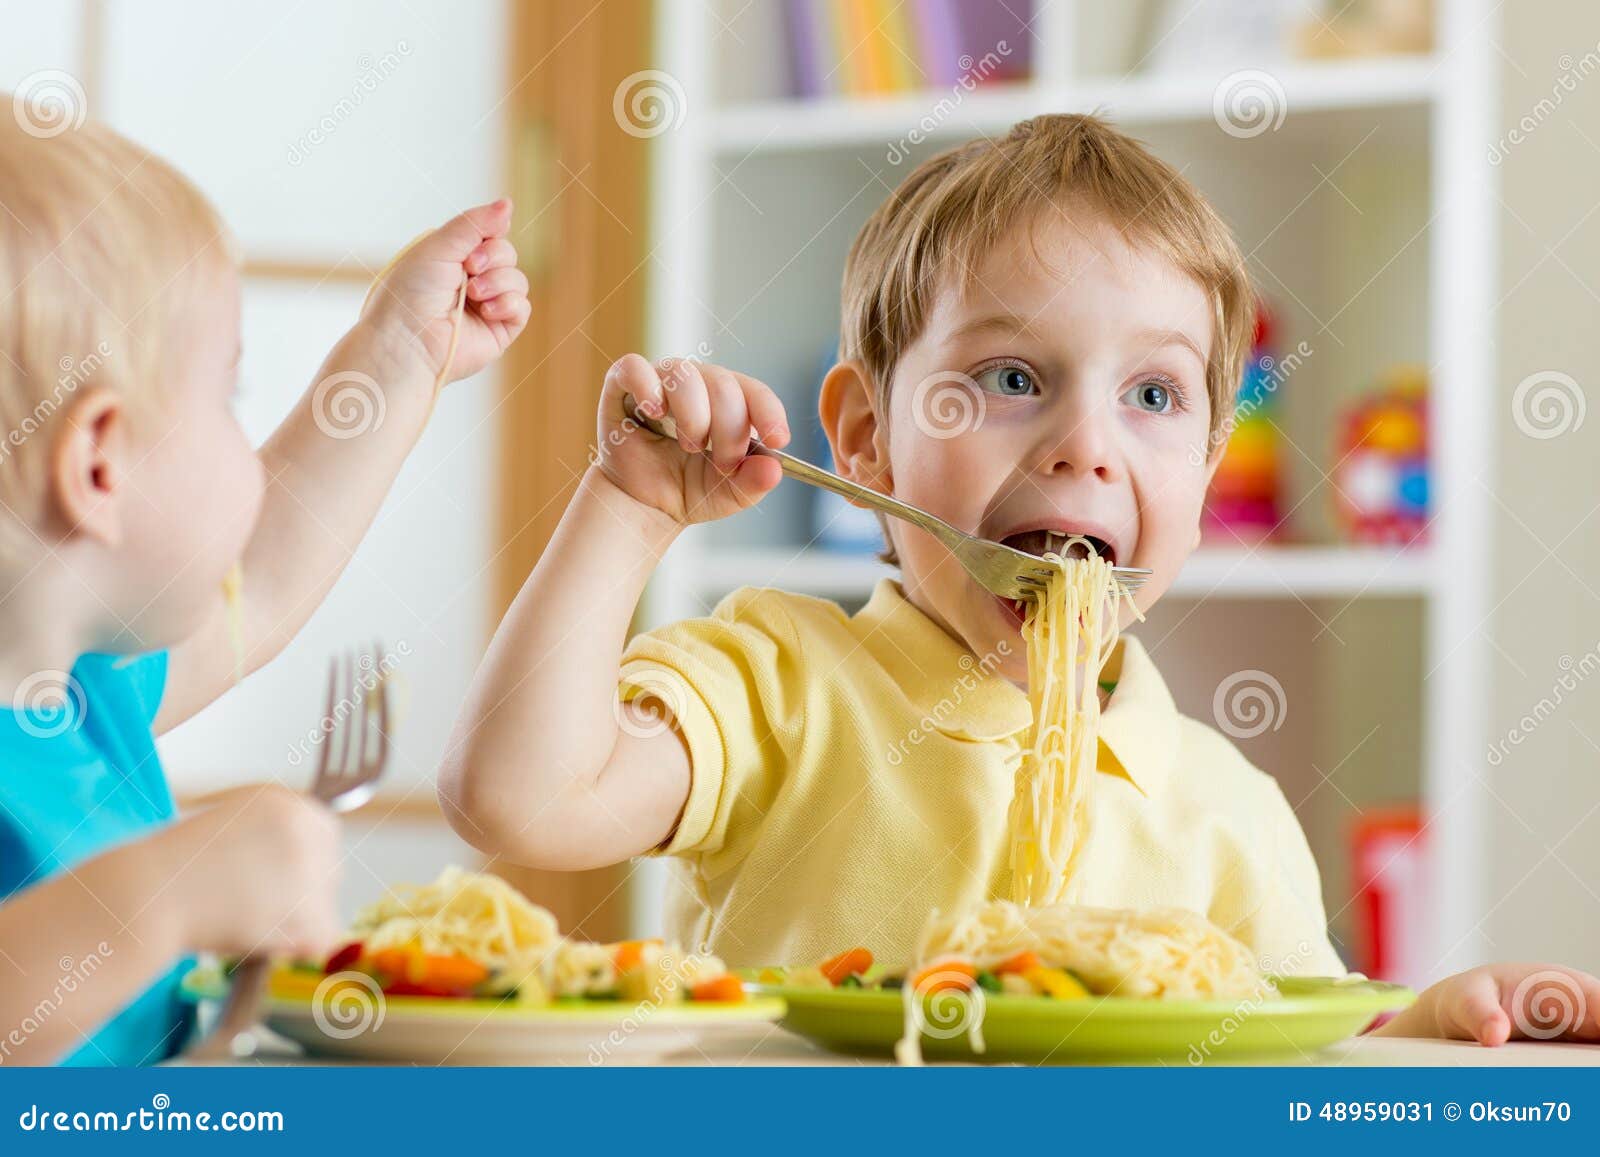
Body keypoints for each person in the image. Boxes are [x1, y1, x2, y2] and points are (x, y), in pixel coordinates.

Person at [441, 114, 1598, 1046]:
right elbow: (518, 798)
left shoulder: (1221, 801)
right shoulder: (780, 680)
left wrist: (1433, 1025)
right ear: (865, 438)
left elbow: (1307, 1053)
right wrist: (629, 510)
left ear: (1203, 471)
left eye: (1152, 395)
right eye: (1007, 375)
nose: (1084, 444)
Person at [0, 110, 530, 1064]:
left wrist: (399, 357)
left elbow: (264, 579)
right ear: (100, 464)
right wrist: (158, 899)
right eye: (226, 394)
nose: (240, 439)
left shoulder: (85, 698)